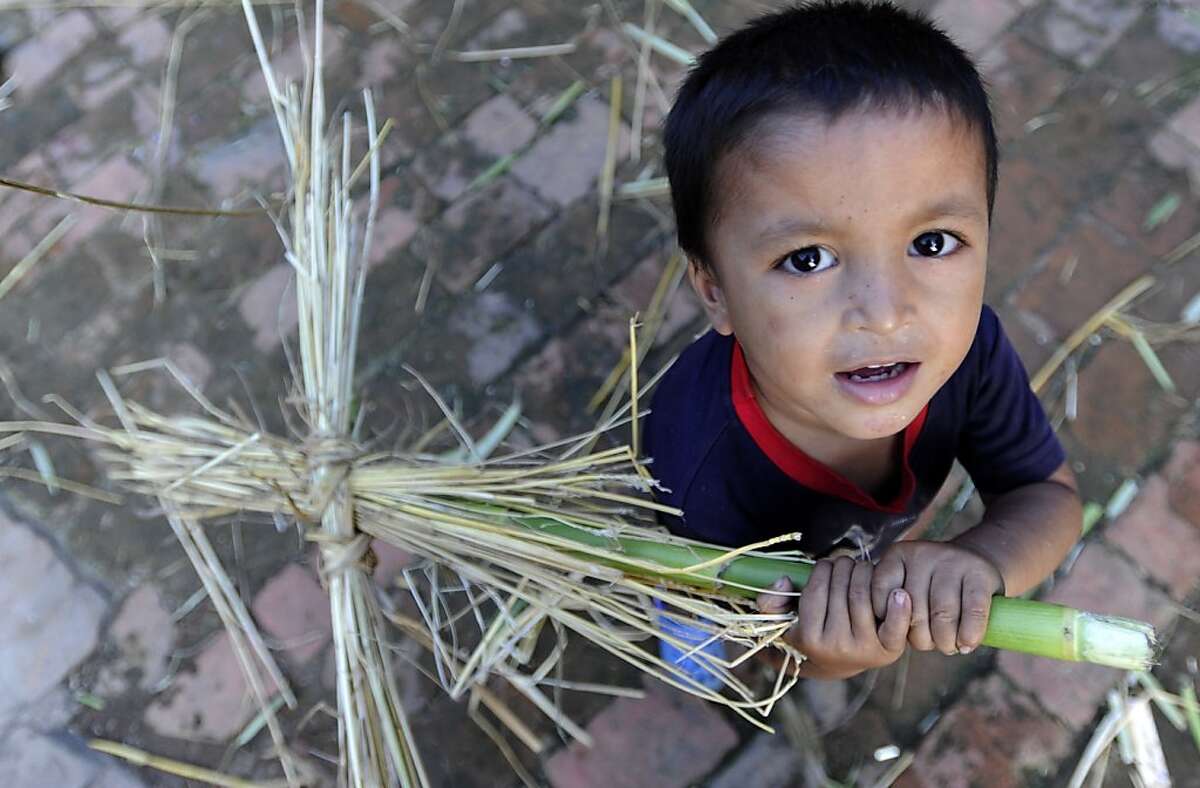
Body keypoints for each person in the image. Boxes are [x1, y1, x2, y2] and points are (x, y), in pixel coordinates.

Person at [643, 0, 1082, 681]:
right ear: (714, 291)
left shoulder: (970, 353)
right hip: (718, 577)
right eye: (808, 258)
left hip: (856, 552)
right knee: (700, 635)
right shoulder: (692, 469)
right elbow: (754, 627)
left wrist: (987, 559)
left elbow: (1045, 496)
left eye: (931, 243)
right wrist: (818, 659)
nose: (883, 315)